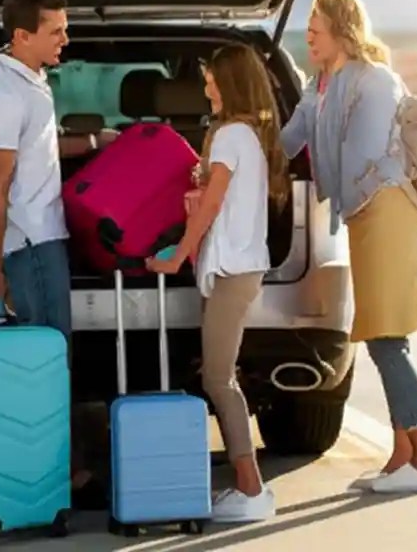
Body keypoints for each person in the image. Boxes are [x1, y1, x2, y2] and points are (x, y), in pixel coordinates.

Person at [279, 0, 417, 494]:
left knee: (387, 337)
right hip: (364, 214)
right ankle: (403, 455)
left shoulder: (374, 81)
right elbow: (289, 140)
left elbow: (367, 156)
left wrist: (342, 199)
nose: (308, 33)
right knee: (380, 333)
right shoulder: (321, 87)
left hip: (388, 211)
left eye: (316, 23)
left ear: (342, 29)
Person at [0, 0, 116, 506]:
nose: (65, 40)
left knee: (52, 361)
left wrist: (96, 142)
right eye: (55, 31)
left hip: (44, 239)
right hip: (31, 246)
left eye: (65, 28)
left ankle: (55, 474)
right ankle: (58, 478)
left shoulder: (29, 81)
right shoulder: (5, 95)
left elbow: (40, 146)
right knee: (49, 365)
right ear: (21, 35)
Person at [146, 44, 289, 522]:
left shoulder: (229, 134)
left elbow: (211, 205)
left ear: (229, 84)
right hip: (239, 269)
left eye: (210, 80)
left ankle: (251, 490)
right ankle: (249, 486)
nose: (205, 88)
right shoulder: (247, 135)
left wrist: (179, 253)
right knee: (218, 374)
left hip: (233, 272)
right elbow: (216, 199)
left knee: (218, 378)